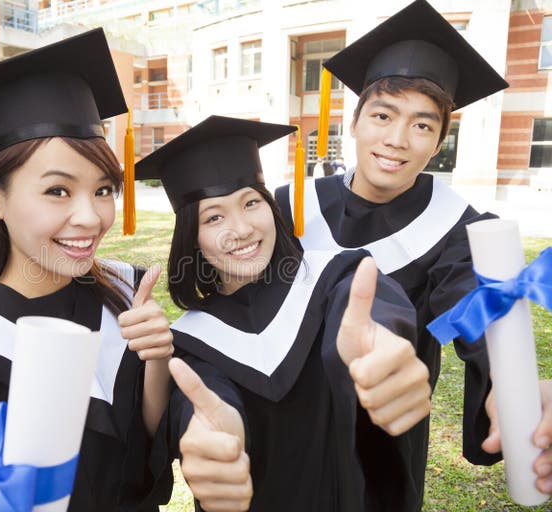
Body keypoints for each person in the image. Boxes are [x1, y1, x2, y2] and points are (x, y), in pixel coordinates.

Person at [0, 28, 173, 511]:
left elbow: (141, 453)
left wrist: (157, 361)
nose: (90, 217)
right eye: (58, 191)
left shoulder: (121, 295)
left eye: (103, 189)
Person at [271, 0, 540, 503]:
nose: (396, 140)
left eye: (422, 125)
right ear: (354, 122)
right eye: (382, 115)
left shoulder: (456, 227)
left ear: (438, 141)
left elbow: (478, 303)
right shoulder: (291, 206)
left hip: (381, 438)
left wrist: (511, 380)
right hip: (283, 424)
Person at [136, 115, 433, 511]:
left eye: (251, 202)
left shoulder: (333, 277)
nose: (241, 228)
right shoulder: (192, 340)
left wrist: (380, 339)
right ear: (192, 236)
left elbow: (367, 302)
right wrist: (207, 430)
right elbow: (199, 400)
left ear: (271, 207)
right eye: (214, 216)